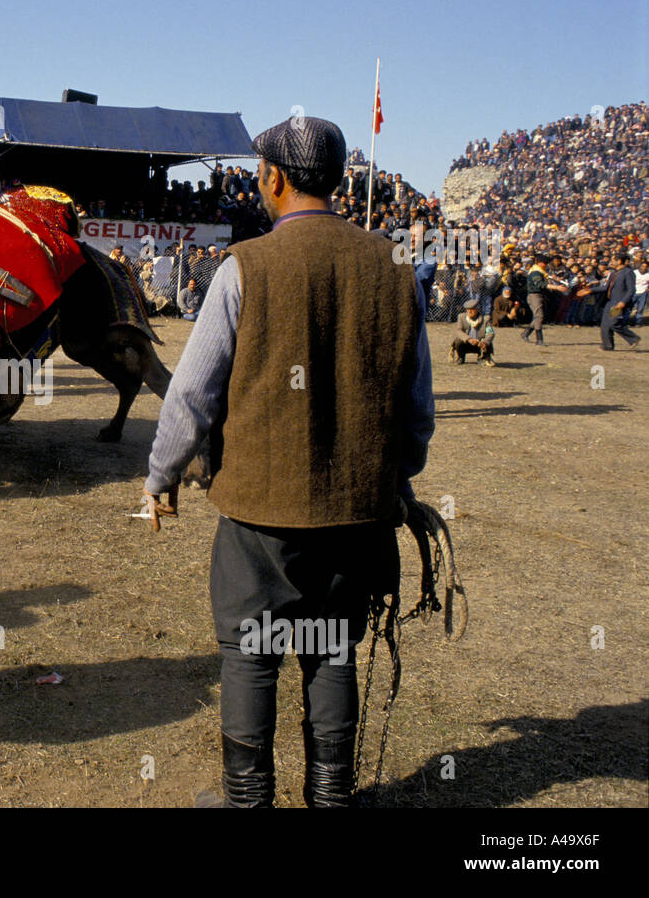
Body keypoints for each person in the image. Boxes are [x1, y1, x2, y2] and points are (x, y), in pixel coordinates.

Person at [141, 116, 433, 808]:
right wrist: (394, 479)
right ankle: (331, 800)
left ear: (272, 178)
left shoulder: (245, 265)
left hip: (259, 514)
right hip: (357, 511)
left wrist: (162, 475)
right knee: (331, 648)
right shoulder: (395, 268)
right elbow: (416, 409)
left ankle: (250, 802)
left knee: (251, 651)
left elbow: (191, 392)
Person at [600, 254, 643, 351]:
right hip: (610, 302)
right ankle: (607, 346)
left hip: (618, 303)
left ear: (619, 261)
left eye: (613, 260)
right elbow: (605, 288)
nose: (611, 262)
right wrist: (590, 290)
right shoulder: (614, 273)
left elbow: (631, 289)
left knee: (614, 323)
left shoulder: (628, 273)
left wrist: (623, 302)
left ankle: (633, 338)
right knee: (605, 325)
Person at [450, 297, 496, 365]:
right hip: (466, 343)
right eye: (468, 309)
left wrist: (485, 342)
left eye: (472, 309)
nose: (469, 311)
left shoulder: (486, 319)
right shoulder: (461, 317)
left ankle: (482, 357)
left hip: (480, 344)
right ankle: (460, 357)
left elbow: (491, 333)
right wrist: (469, 339)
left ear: (478, 309)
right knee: (458, 340)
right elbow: (459, 331)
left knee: (488, 342)